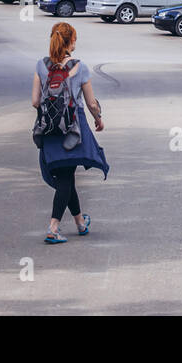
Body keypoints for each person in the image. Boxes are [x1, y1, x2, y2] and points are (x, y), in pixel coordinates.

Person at [32, 21, 109, 243]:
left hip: (49, 130)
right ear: (70, 41)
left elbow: (35, 101)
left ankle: (80, 223)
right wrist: (98, 119)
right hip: (73, 130)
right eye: (75, 38)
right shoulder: (80, 67)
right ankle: (53, 227)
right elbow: (91, 103)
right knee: (66, 176)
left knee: (65, 176)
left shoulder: (41, 65)